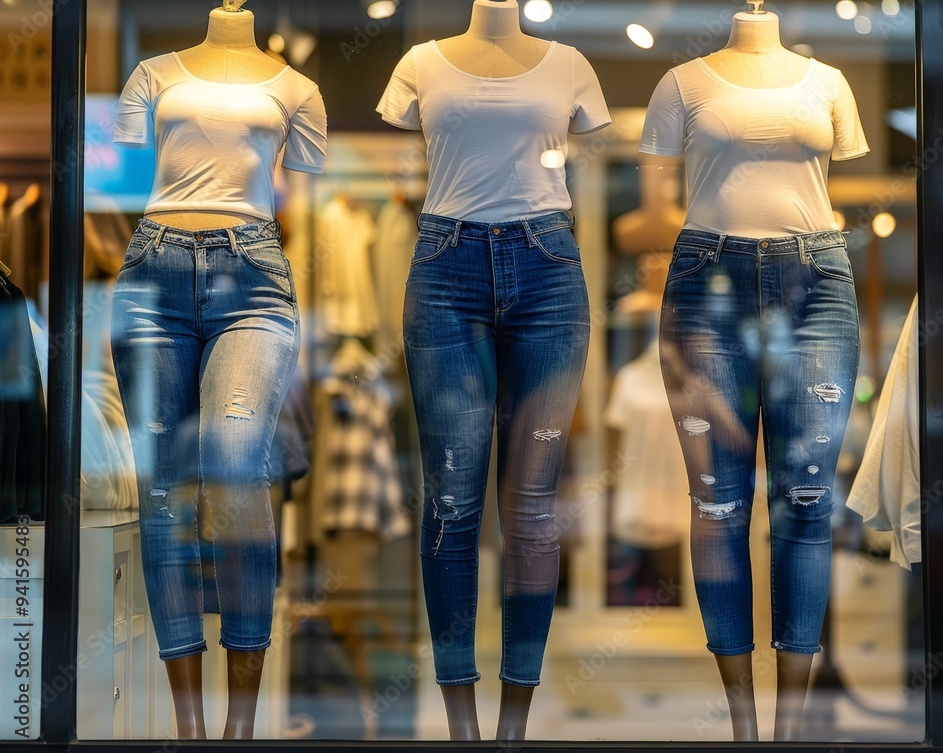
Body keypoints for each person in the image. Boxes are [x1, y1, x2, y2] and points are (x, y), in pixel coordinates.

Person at [377, 0, 610, 740]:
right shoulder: (419, 63)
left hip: (547, 266)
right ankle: (460, 725)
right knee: (450, 501)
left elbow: (593, 137)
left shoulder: (571, 65)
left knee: (533, 506)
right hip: (446, 266)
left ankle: (512, 722)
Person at [639, 4, 869, 742]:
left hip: (818, 280)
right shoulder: (681, 83)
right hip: (708, 280)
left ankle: (791, 726)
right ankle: (742, 721)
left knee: (804, 498)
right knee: (718, 503)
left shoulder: (829, 82)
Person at [111, 2, 326, 739]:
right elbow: (119, 181)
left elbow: (299, 180)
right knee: (163, 489)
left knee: (235, 464)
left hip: (252, 277)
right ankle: (190, 724)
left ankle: (240, 723)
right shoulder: (151, 74)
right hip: (152, 271)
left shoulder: (295, 87)